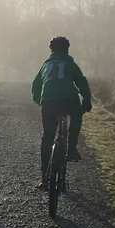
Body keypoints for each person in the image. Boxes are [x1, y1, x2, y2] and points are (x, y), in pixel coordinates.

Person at [31, 36, 92, 188]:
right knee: (77, 116)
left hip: (49, 102)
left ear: (51, 50)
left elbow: (36, 85)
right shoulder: (70, 64)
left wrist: (41, 101)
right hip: (69, 100)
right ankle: (71, 148)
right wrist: (86, 100)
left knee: (48, 137)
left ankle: (44, 178)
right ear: (67, 49)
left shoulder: (46, 65)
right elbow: (81, 81)